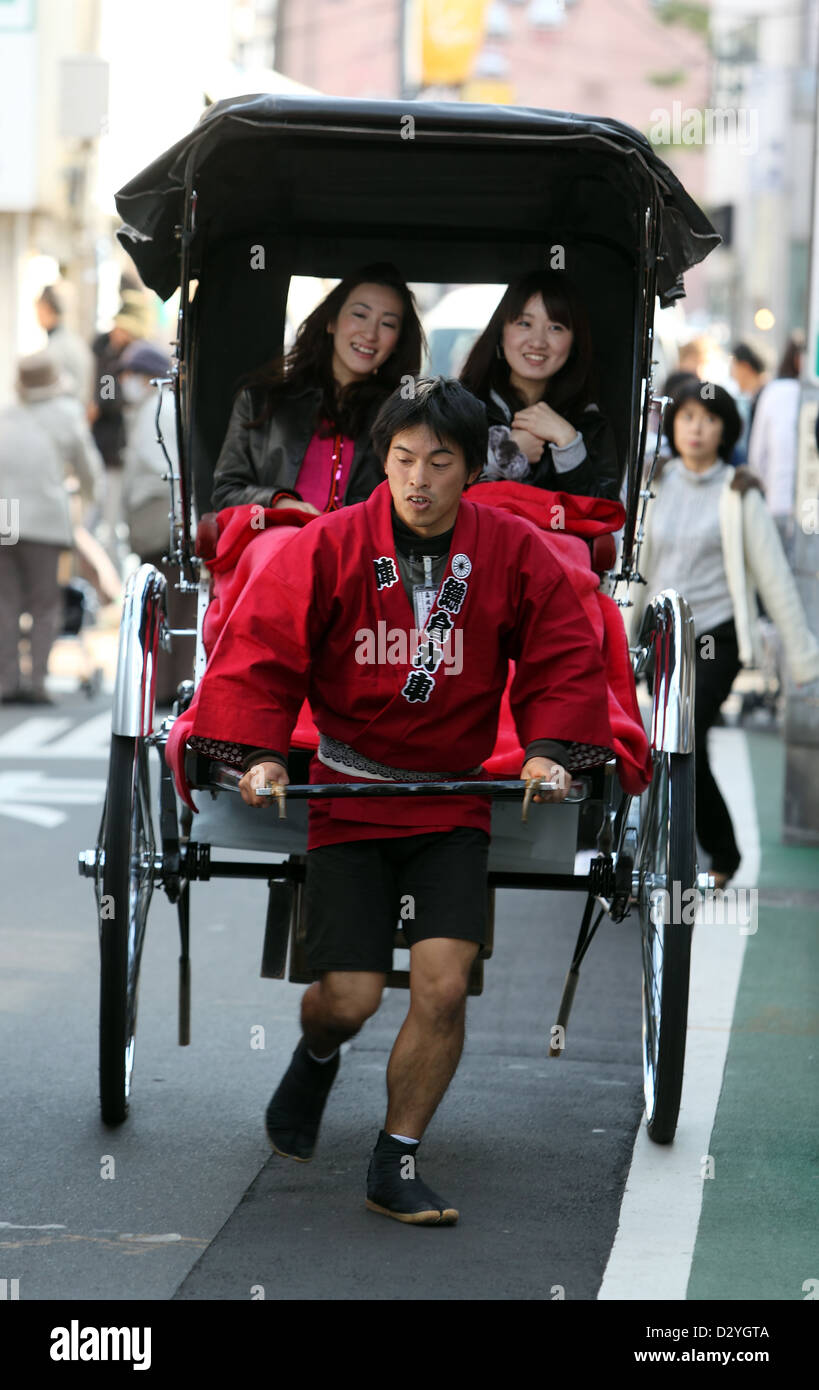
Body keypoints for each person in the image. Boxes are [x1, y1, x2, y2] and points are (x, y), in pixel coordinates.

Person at [184, 378, 614, 1225]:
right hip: (349, 789)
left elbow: (563, 651)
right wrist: (262, 756)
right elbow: (264, 651)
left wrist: (547, 752)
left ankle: (396, 1161)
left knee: (443, 985)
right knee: (347, 994)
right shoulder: (333, 544)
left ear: (471, 467)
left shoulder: (507, 547)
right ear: (386, 460)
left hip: (452, 801)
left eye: (440, 461)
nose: (418, 478)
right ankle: (315, 1054)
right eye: (403, 458)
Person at [628, 379, 819, 888]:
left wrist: (803, 662)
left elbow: (775, 578)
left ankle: (721, 853)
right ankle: (669, 845)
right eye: (688, 416)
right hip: (660, 638)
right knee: (672, 745)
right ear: (674, 423)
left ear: (725, 430)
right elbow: (635, 568)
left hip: (716, 637)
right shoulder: (656, 480)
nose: (697, 427)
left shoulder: (739, 491)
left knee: (684, 735)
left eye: (709, 420)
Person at [210, 263, 425, 514]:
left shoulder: (402, 418)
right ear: (331, 322)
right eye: (360, 315)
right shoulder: (261, 400)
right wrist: (280, 503)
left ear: (398, 342)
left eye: (388, 324)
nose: (370, 333)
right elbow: (225, 492)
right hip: (277, 537)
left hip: (357, 546)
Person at [459, 270, 620, 499]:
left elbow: (603, 516)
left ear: (574, 342)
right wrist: (506, 454)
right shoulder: (460, 407)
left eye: (555, 327)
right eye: (524, 323)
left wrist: (567, 441)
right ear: (501, 333)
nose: (537, 342)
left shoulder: (591, 423)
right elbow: (436, 494)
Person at [0, 351, 103, 703]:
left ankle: (7, 680)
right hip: (43, 516)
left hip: (5, 513)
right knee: (44, 601)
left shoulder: (7, 414)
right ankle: (37, 681)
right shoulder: (67, 415)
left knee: (6, 599)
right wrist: (90, 500)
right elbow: (89, 468)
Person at [118, 341, 196, 706]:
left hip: (163, 517)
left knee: (170, 602)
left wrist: (184, 521)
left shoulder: (157, 409)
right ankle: (169, 683)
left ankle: (169, 685)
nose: (125, 381)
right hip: (164, 518)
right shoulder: (160, 407)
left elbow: (172, 472)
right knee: (172, 602)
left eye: (131, 373)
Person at [89, 293, 155, 565]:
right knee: (101, 516)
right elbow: (106, 396)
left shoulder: (136, 357)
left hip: (119, 450)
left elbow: (108, 399)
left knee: (113, 521)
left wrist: (105, 403)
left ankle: (110, 583)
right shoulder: (107, 355)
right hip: (105, 446)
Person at [747, 332, 804, 552]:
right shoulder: (776, 392)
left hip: (777, 503)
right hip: (786, 505)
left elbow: (757, 456)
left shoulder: (774, 392)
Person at [35, 284, 95, 406]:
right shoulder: (68, 340)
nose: (38, 316)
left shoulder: (60, 346)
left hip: (67, 413)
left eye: (39, 310)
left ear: (48, 309)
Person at [730, 342, 767, 449]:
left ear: (745, 367)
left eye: (734, 367)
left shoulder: (764, 398)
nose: (732, 375)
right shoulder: (756, 398)